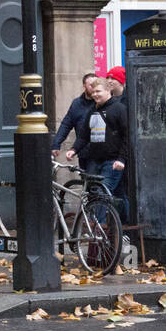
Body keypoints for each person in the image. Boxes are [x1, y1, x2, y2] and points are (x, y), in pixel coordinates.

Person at [68, 76, 131, 223]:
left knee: (102, 194)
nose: (95, 94)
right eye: (93, 92)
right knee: (106, 193)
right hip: (94, 159)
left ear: (108, 90)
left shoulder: (119, 109)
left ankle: (99, 228)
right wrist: (74, 149)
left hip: (112, 161)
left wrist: (121, 159)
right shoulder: (92, 110)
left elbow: (127, 136)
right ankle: (118, 228)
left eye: (98, 91)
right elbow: (84, 134)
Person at [51, 72, 97, 170]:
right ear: (84, 86)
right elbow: (66, 124)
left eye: (96, 85)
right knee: (86, 181)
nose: (94, 88)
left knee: (93, 182)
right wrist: (56, 143)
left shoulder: (101, 102)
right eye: (91, 85)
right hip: (83, 152)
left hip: (98, 153)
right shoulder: (77, 104)